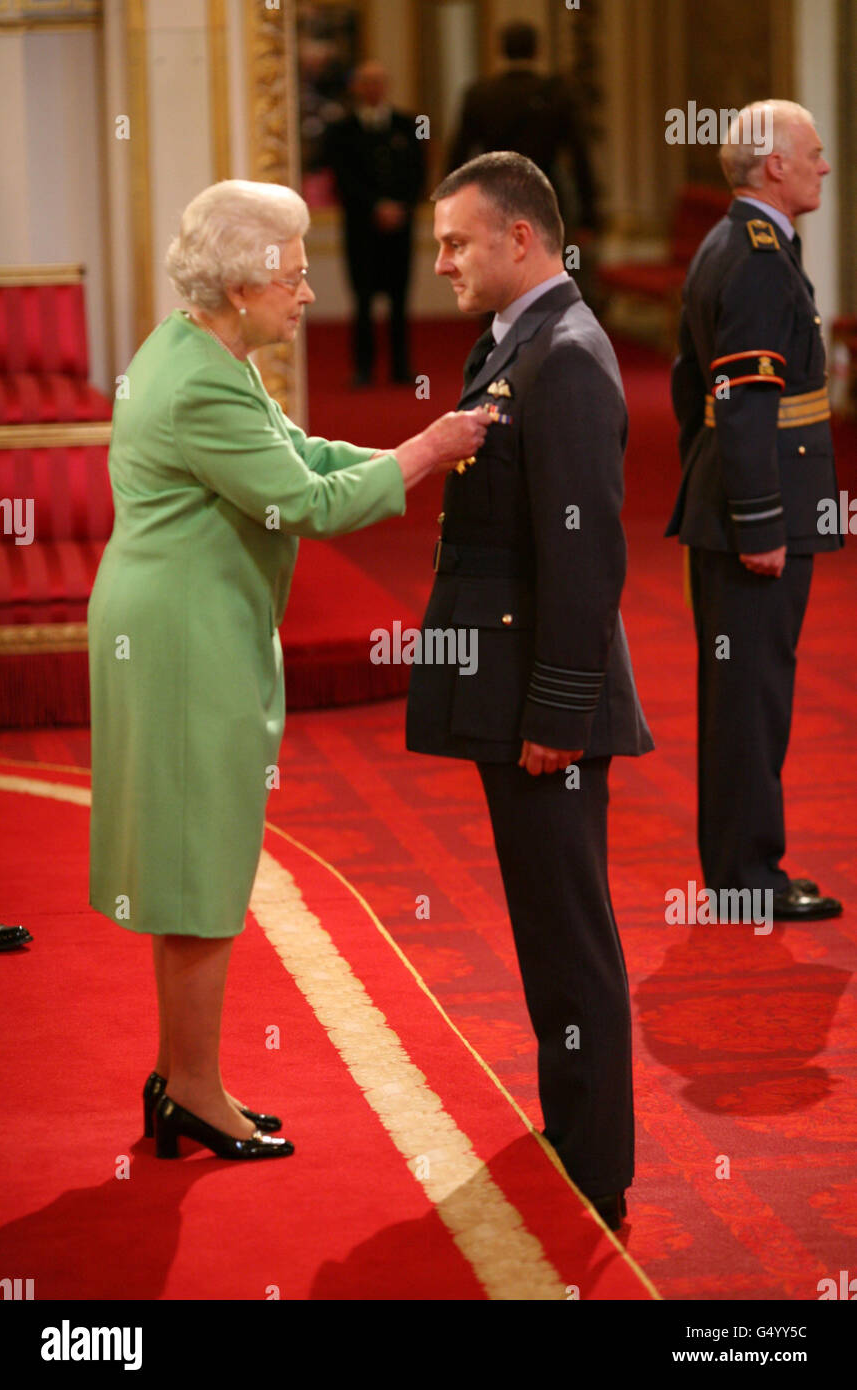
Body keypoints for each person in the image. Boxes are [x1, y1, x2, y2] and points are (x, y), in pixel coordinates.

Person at [88, 179, 491, 1162]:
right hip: (184, 636)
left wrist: (396, 453)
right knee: (200, 868)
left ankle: (182, 1077)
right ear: (239, 284)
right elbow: (301, 502)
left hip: (188, 619)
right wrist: (428, 450)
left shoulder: (204, 351)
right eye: (295, 276)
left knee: (194, 861)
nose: (308, 293)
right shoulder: (199, 377)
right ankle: (190, 1087)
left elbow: (297, 452)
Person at [406, 152, 653, 1231]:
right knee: (544, 928)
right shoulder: (515, 341)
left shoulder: (565, 356)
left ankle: (595, 1168)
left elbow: (586, 555)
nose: (442, 261)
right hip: (514, 692)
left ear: (519, 238)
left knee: (569, 934)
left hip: (548, 704)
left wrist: (555, 711)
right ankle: (569, 1132)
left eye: (457, 242)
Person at [666, 100, 843, 921]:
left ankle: (741, 871)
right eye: (813, 153)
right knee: (751, 698)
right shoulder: (761, 257)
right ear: (775, 165)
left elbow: (685, 384)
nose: (825, 166)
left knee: (744, 693)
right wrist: (762, 519)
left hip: (733, 502)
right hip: (758, 515)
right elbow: (740, 402)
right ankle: (747, 882)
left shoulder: (730, 242)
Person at [445, 22, 598, 294]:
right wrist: (588, 216)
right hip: (545, 197)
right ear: (536, 50)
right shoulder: (557, 93)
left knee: (493, 281)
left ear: (501, 50)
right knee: (546, 282)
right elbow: (580, 157)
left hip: (493, 199)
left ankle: (499, 335)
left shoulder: (480, 94)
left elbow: (458, 157)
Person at [323, 61, 425, 386]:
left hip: (400, 226)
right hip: (360, 227)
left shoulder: (408, 125)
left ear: (387, 85)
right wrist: (375, 206)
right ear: (356, 87)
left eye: (378, 82)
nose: (372, 88)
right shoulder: (341, 130)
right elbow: (341, 178)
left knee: (400, 297)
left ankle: (400, 367)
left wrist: (400, 207)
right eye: (366, 82)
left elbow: (418, 172)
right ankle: (363, 369)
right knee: (362, 298)